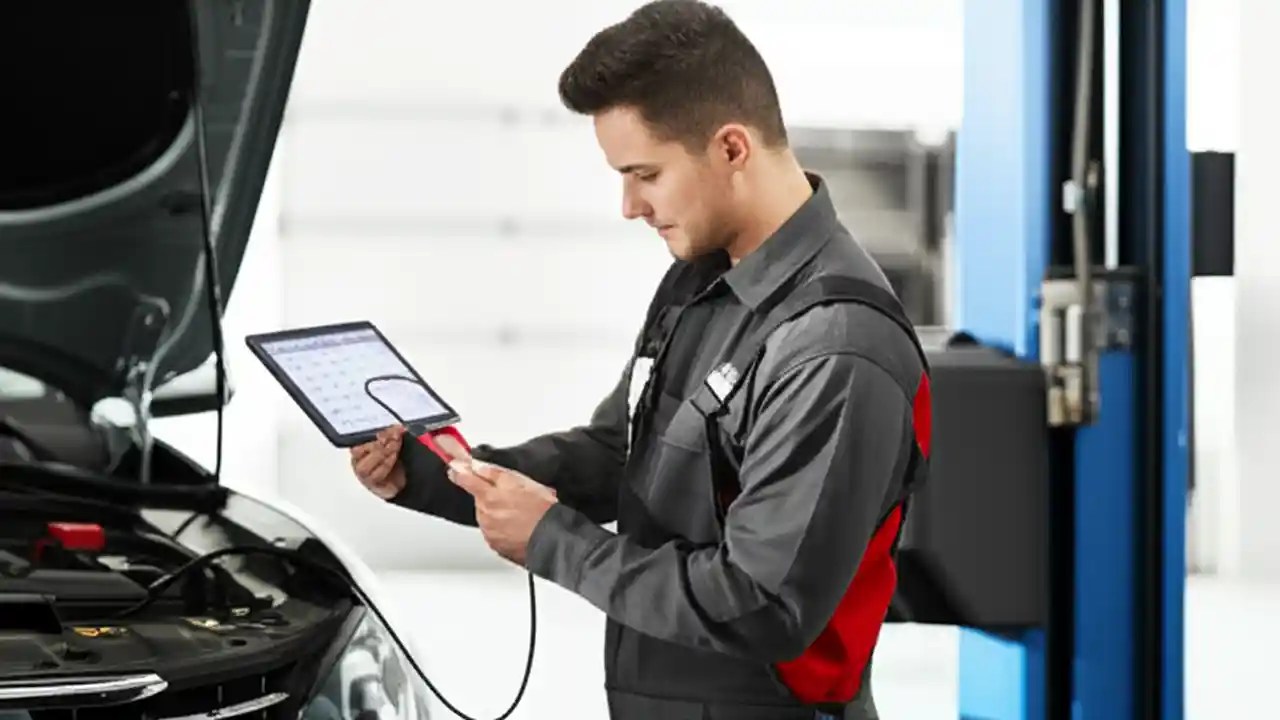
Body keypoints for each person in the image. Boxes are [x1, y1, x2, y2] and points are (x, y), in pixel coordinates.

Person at [349, 1, 931, 718]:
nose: (629, 205)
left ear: (731, 148)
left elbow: (763, 602)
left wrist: (556, 543)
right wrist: (439, 474)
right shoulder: (701, 280)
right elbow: (622, 456)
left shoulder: (834, 347)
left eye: (645, 173)